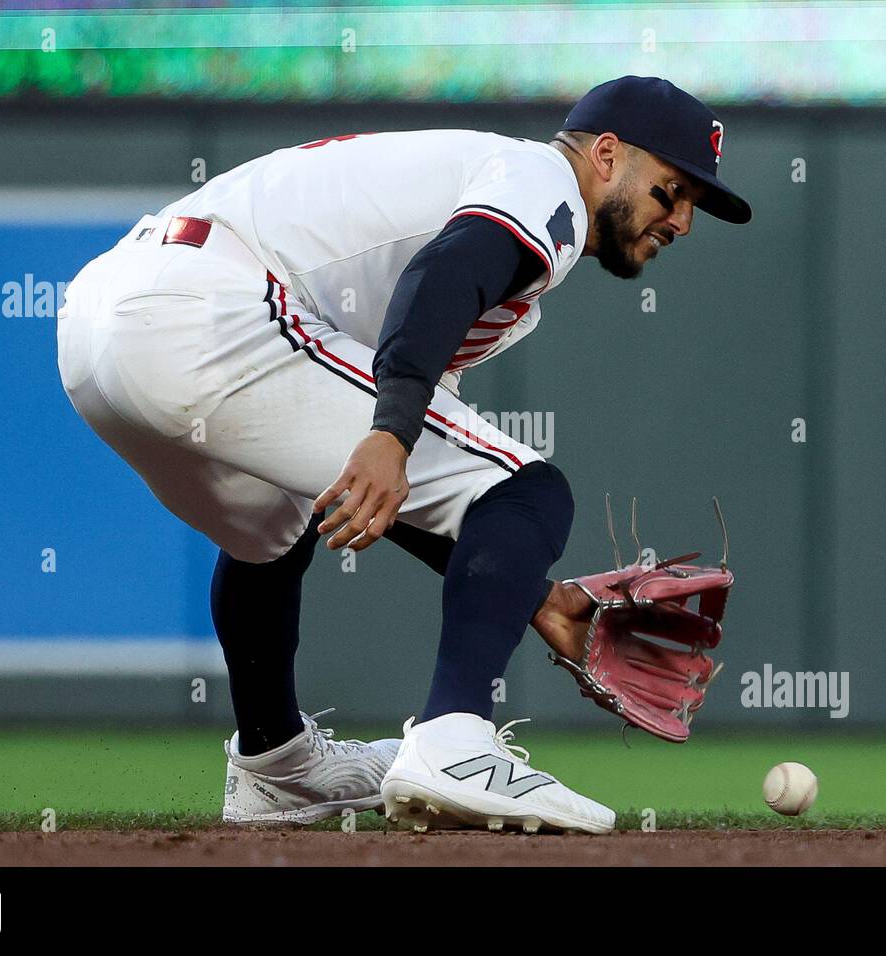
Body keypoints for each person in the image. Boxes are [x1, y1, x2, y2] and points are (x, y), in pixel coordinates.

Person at [56, 75, 751, 834]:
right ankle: (456, 739)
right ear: (608, 155)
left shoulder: (490, 200)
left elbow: (410, 493)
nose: (681, 220)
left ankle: (275, 764)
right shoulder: (543, 182)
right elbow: (445, 275)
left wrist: (538, 599)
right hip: (206, 307)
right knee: (528, 490)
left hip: (104, 329)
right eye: (672, 190)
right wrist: (391, 432)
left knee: (271, 524)